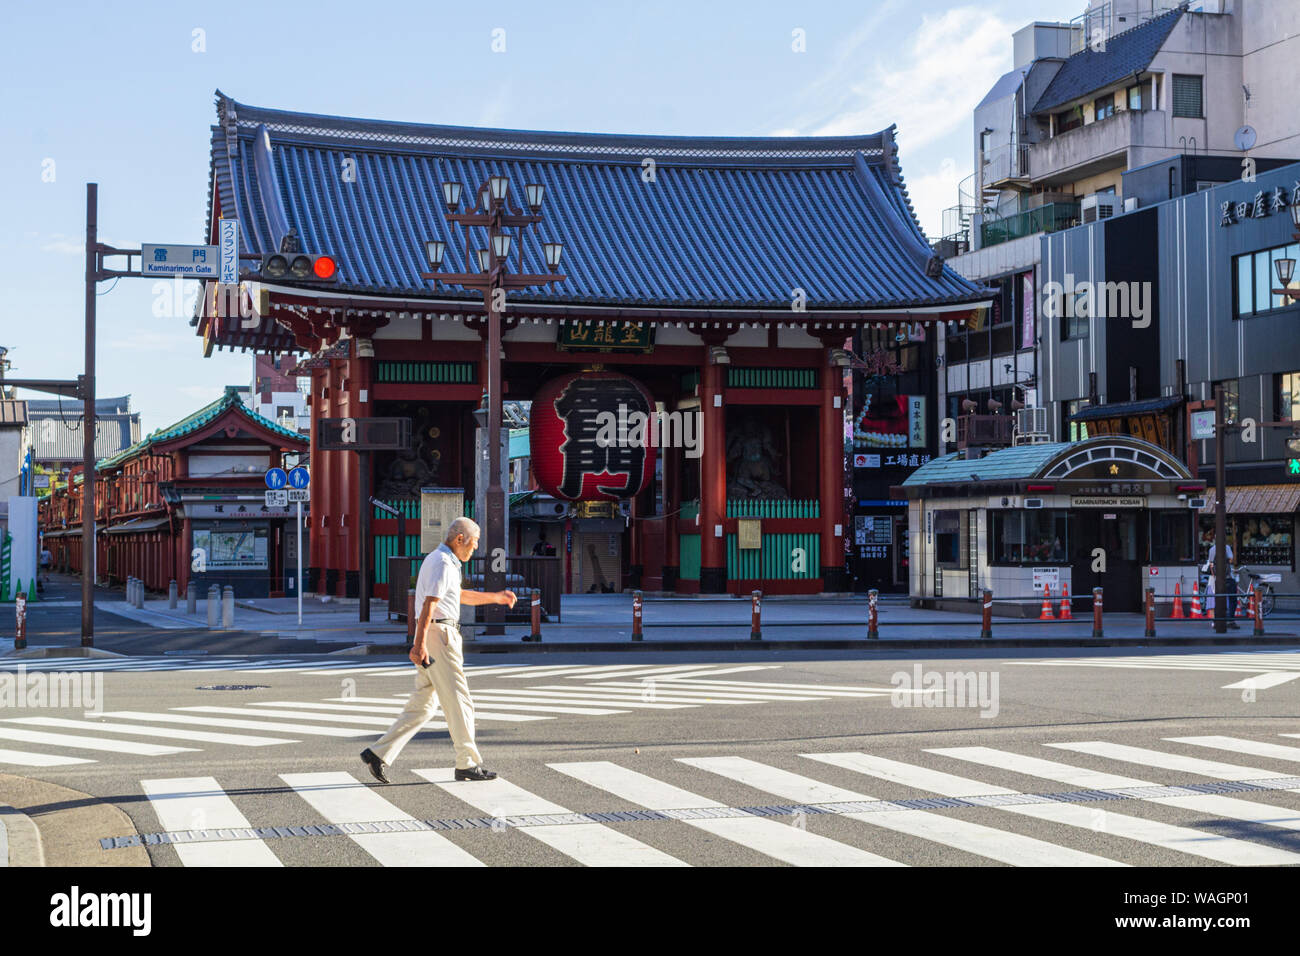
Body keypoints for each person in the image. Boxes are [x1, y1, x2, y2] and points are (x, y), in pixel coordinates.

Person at [360, 517, 516, 783]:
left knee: (423, 705)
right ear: (459, 539)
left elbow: (458, 596)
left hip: (436, 635)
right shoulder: (443, 563)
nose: (474, 548)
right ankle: (467, 763)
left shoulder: (441, 560)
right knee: (460, 701)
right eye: (473, 542)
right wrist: (418, 644)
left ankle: (378, 753)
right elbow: (428, 606)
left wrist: (497, 597)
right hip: (440, 636)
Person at [1202, 534, 1237, 626]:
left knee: (1215, 600)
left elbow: (1211, 564)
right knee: (1232, 599)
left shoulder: (1212, 549)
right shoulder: (1227, 548)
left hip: (1215, 579)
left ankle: (1215, 621)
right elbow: (1231, 560)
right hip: (1227, 577)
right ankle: (1230, 620)